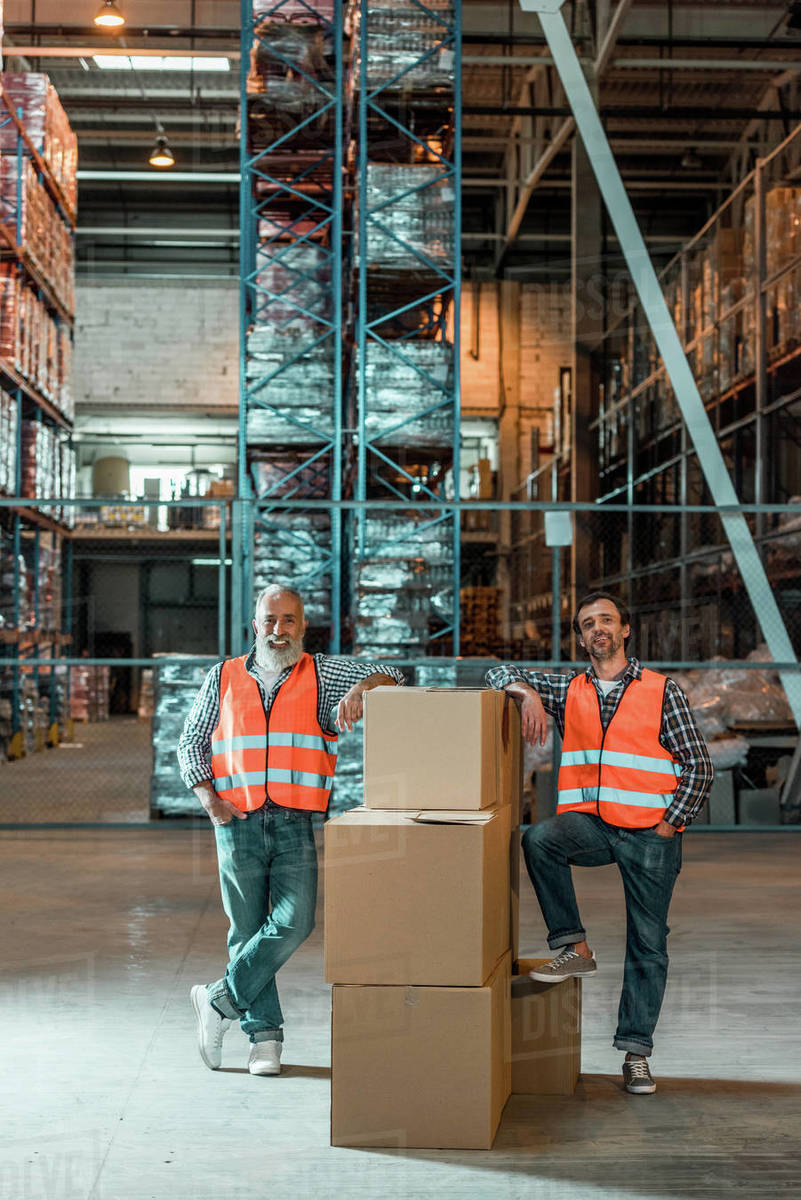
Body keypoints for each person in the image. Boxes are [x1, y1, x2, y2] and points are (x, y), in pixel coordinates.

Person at [486, 591, 713, 1096]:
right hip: (594, 825)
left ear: (625, 630)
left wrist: (670, 823)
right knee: (540, 840)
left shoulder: (662, 690)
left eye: (606, 620)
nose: (598, 629)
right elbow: (497, 673)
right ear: (581, 638)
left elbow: (699, 766)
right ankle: (575, 946)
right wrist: (526, 695)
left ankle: (636, 1053)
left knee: (647, 942)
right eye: (588, 624)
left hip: (651, 833)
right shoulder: (568, 689)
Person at [178, 583, 404, 1077]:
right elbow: (190, 741)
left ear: (302, 627)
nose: (278, 630)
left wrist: (362, 689)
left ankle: (218, 999)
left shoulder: (322, 673)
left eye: (289, 621)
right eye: (270, 620)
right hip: (236, 821)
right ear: (254, 626)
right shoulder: (223, 676)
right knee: (246, 931)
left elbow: (394, 674)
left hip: (295, 821)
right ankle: (264, 1040)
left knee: (295, 923)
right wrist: (210, 801)